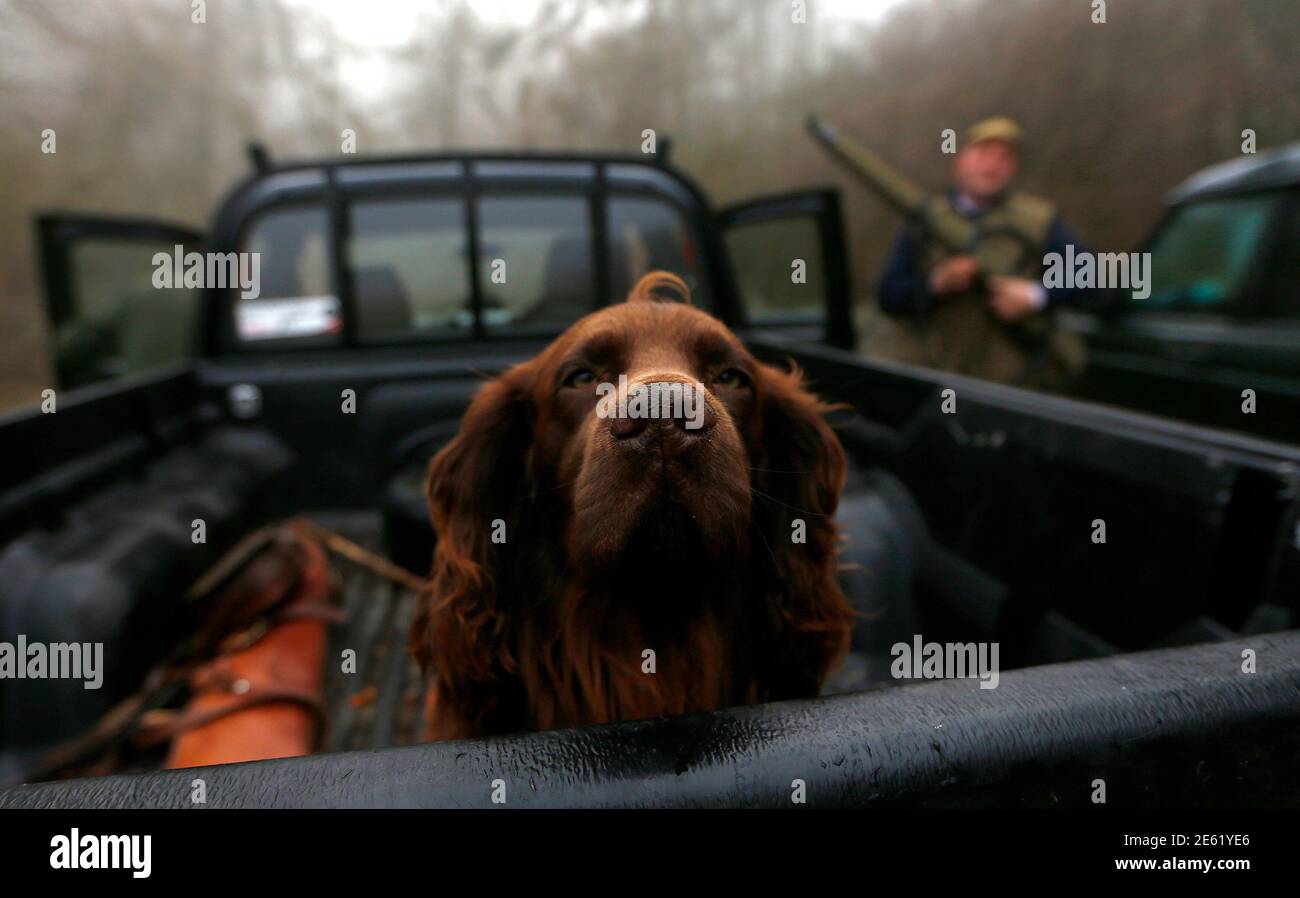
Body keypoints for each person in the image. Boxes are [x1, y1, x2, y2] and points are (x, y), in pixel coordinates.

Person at [872, 116, 1093, 388]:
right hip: (935, 382)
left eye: (1005, 157)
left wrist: (1035, 296)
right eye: (983, 152)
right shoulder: (925, 221)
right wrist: (934, 285)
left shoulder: (1039, 220)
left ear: (1013, 167)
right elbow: (888, 296)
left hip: (1015, 386)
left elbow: (1091, 279)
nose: (993, 164)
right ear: (960, 160)